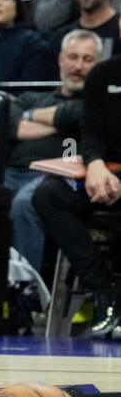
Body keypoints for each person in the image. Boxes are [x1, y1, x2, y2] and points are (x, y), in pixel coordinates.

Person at [31, 47, 121, 339]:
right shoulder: (103, 74)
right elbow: (91, 132)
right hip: (109, 171)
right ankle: (103, 289)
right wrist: (95, 165)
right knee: (48, 195)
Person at [4, 29, 98, 271]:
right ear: (60, 59)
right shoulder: (30, 99)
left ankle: (26, 287)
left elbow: (78, 114)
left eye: (87, 59)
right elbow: (12, 128)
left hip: (57, 176)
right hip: (12, 171)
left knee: (24, 203)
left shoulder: (96, 105)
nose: (78, 66)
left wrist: (31, 117)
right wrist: (61, 122)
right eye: (73, 57)